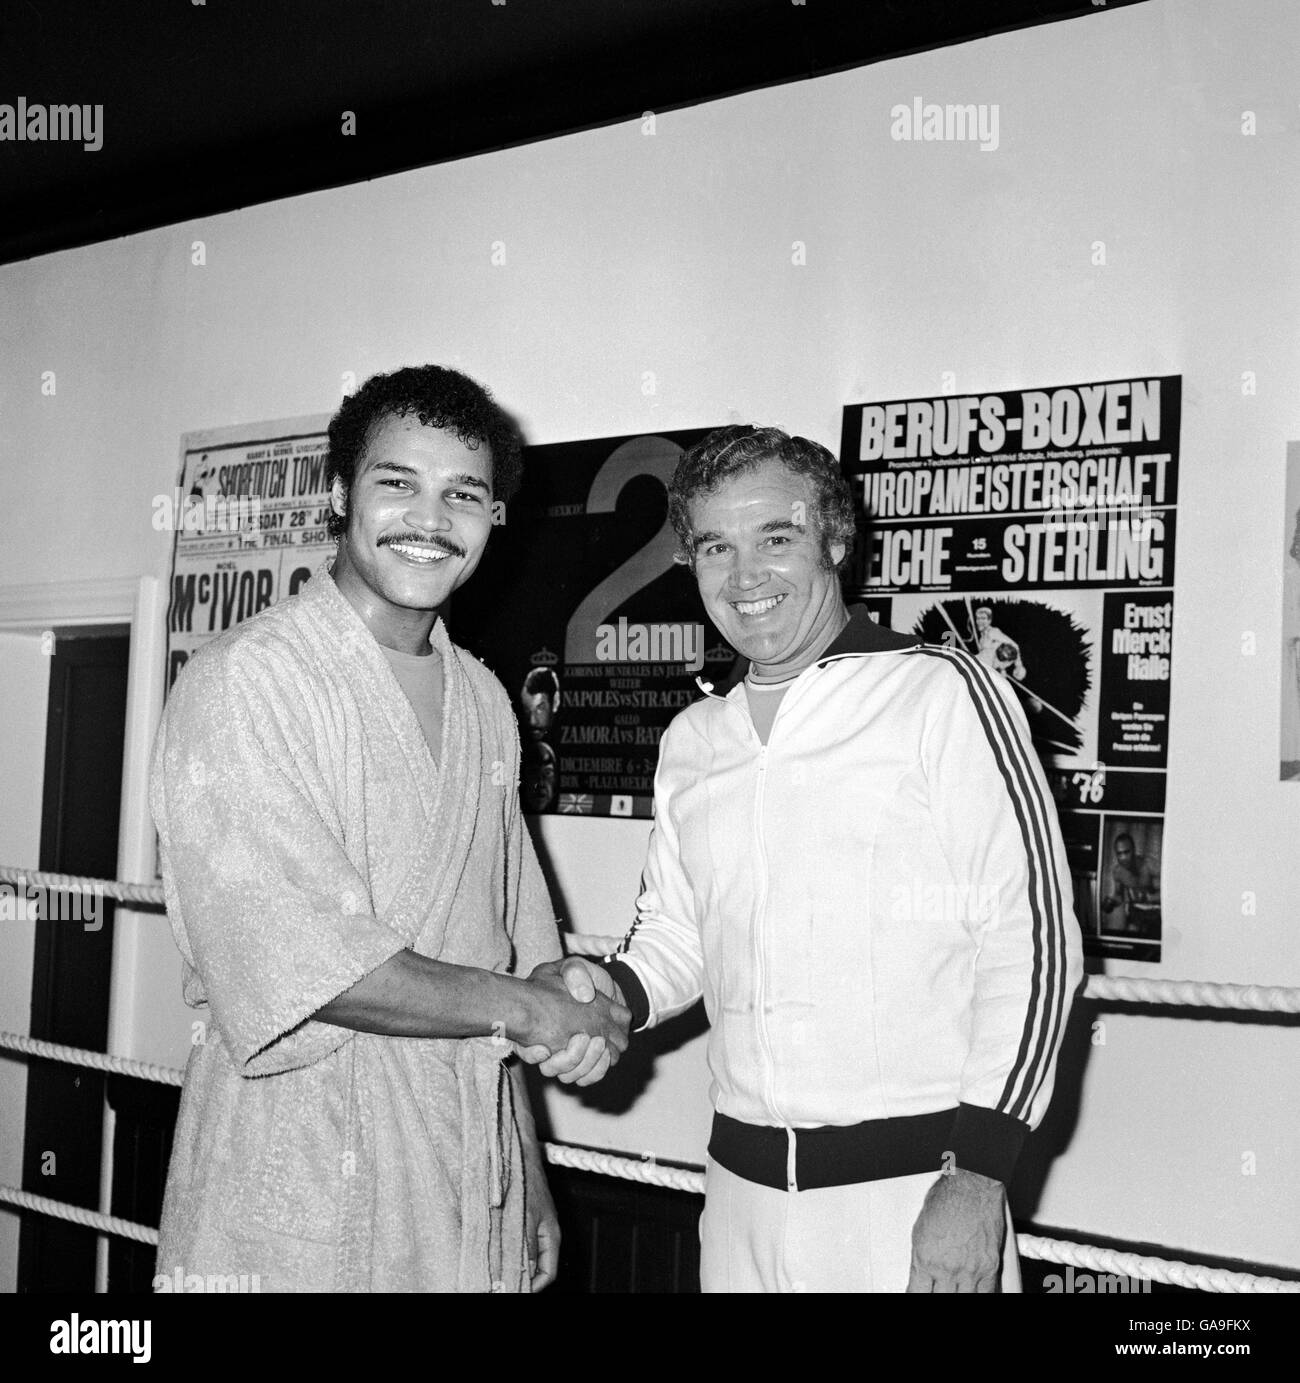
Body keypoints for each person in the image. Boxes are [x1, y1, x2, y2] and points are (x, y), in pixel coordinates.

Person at [538, 425, 1083, 1292]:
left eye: (775, 538)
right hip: (738, 1204)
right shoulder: (694, 737)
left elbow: (1035, 942)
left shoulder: (940, 693)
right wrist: (617, 993)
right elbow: (677, 934)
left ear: (835, 540)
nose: (745, 576)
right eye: (716, 545)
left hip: (908, 1203)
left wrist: (980, 1172)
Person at [150, 365, 630, 1293]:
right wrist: (534, 1009)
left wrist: (525, 1172)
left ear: (493, 518)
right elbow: (299, 961)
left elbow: (511, 958)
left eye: (463, 493)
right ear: (341, 494)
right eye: (397, 482)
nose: (430, 517)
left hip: (462, 1170)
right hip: (294, 1158)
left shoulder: (488, 701)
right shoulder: (245, 681)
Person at [1100, 831, 1161, 936]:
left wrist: (1149, 898)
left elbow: (1171, 892)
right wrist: (1111, 902)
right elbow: (1119, 896)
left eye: (1126, 852)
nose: (1123, 858)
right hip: (1136, 913)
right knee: (1131, 938)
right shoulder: (1118, 872)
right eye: (1119, 854)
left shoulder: (1149, 866)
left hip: (1155, 913)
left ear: (1134, 850)